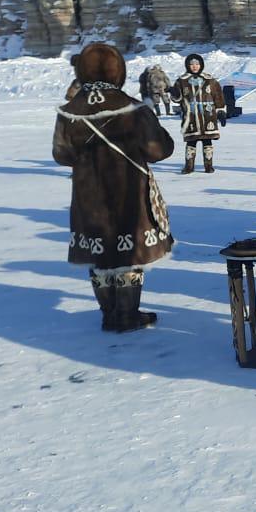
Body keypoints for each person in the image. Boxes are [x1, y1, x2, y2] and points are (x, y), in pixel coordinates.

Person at [53, 43, 174, 333]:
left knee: (100, 249)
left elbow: (62, 155)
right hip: (127, 190)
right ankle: (127, 314)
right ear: (118, 71)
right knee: (128, 251)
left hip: (87, 192)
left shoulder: (69, 112)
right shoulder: (133, 108)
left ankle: (109, 314)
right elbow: (158, 150)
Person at [169, 53, 226, 174]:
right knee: (191, 141)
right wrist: (173, 92)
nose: (194, 66)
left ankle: (208, 166)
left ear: (201, 65)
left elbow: (218, 96)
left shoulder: (210, 80)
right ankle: (189, 167)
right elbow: (177, 99)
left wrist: (220, 110)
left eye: (197, 64)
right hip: (191, 117)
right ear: (187, 65)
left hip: (208, 116)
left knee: (207, 141)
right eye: (191, 64)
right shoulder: (182, 81)